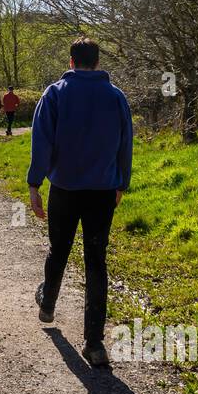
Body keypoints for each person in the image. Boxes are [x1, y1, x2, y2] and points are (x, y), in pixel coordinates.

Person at [26, 38, 133, 367]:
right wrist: (121, 184)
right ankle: (95, 343)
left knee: (59, 248)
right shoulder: (116, 98)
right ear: (97, 63)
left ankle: (48, 303)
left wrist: (34, 184)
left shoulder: (55, 94)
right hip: (102, 190)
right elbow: (125, 144)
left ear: (71, 61)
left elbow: (41, 141)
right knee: (96, 261)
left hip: (65, 189)